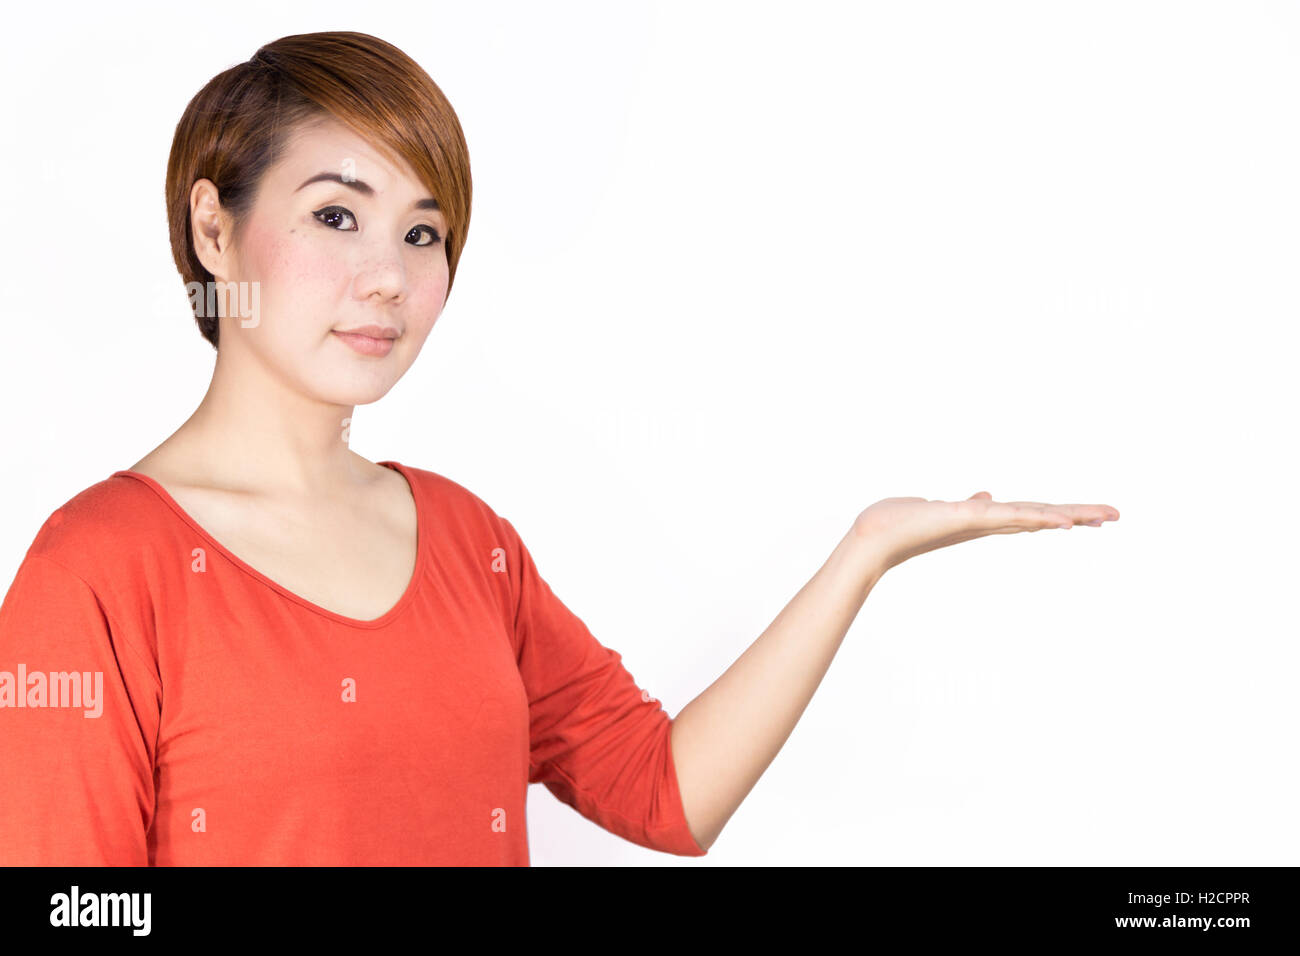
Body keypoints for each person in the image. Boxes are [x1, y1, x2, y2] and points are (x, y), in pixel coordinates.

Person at [0, 30, 1118, 866]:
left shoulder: (465, 538)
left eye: (424, 232)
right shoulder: (96, 568)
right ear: (213, 227)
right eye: (336, 215)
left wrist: (864, 550)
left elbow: (663, 791)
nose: (387, 275)